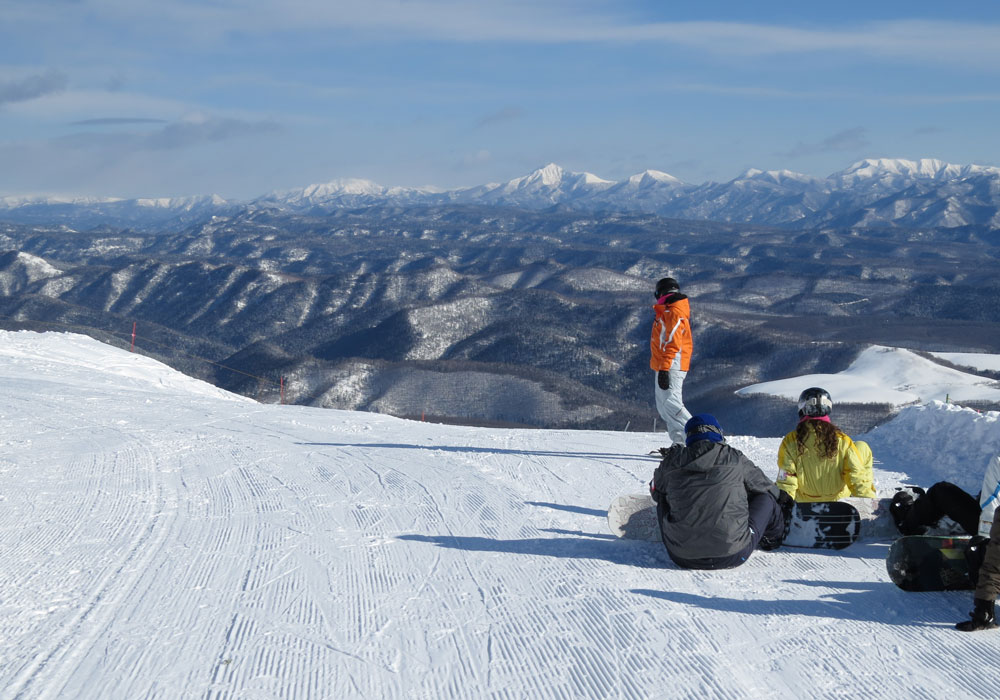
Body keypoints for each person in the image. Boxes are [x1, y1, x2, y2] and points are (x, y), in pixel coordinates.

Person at [650, 414, 785, 570]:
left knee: (663, 500)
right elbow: (764, 485)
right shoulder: (734, 458)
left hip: (681, 556)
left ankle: (679, 529)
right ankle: (772, 539)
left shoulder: (671, 461)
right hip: (734, 553)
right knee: (766, 498)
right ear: (718, 433)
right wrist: (782, 497)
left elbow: (656, 493)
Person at [889, 455, 1000, 631]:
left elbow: (992, 506)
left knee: (941, 491)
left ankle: (907, 521)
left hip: (991, 530)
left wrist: (984, 541)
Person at [776, 387, 876, 502]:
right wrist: (870, 503)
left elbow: (786, 477)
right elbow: (856, 475)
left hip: (804, 502)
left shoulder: (790, 441)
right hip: (839, 500)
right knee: (861, 447)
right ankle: (863, 495)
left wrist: (784, 505)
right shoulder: (843, 441)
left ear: (802, 408)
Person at [650, 277, 693, 444]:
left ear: (659, 293)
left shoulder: (673, 313)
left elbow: (673, 343)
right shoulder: (667, 312)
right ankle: (680, 444)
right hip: (664, 364)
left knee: (672, 403)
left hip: (671, 364)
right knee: (665, 407)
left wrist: (664, 368)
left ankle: (705, 438)